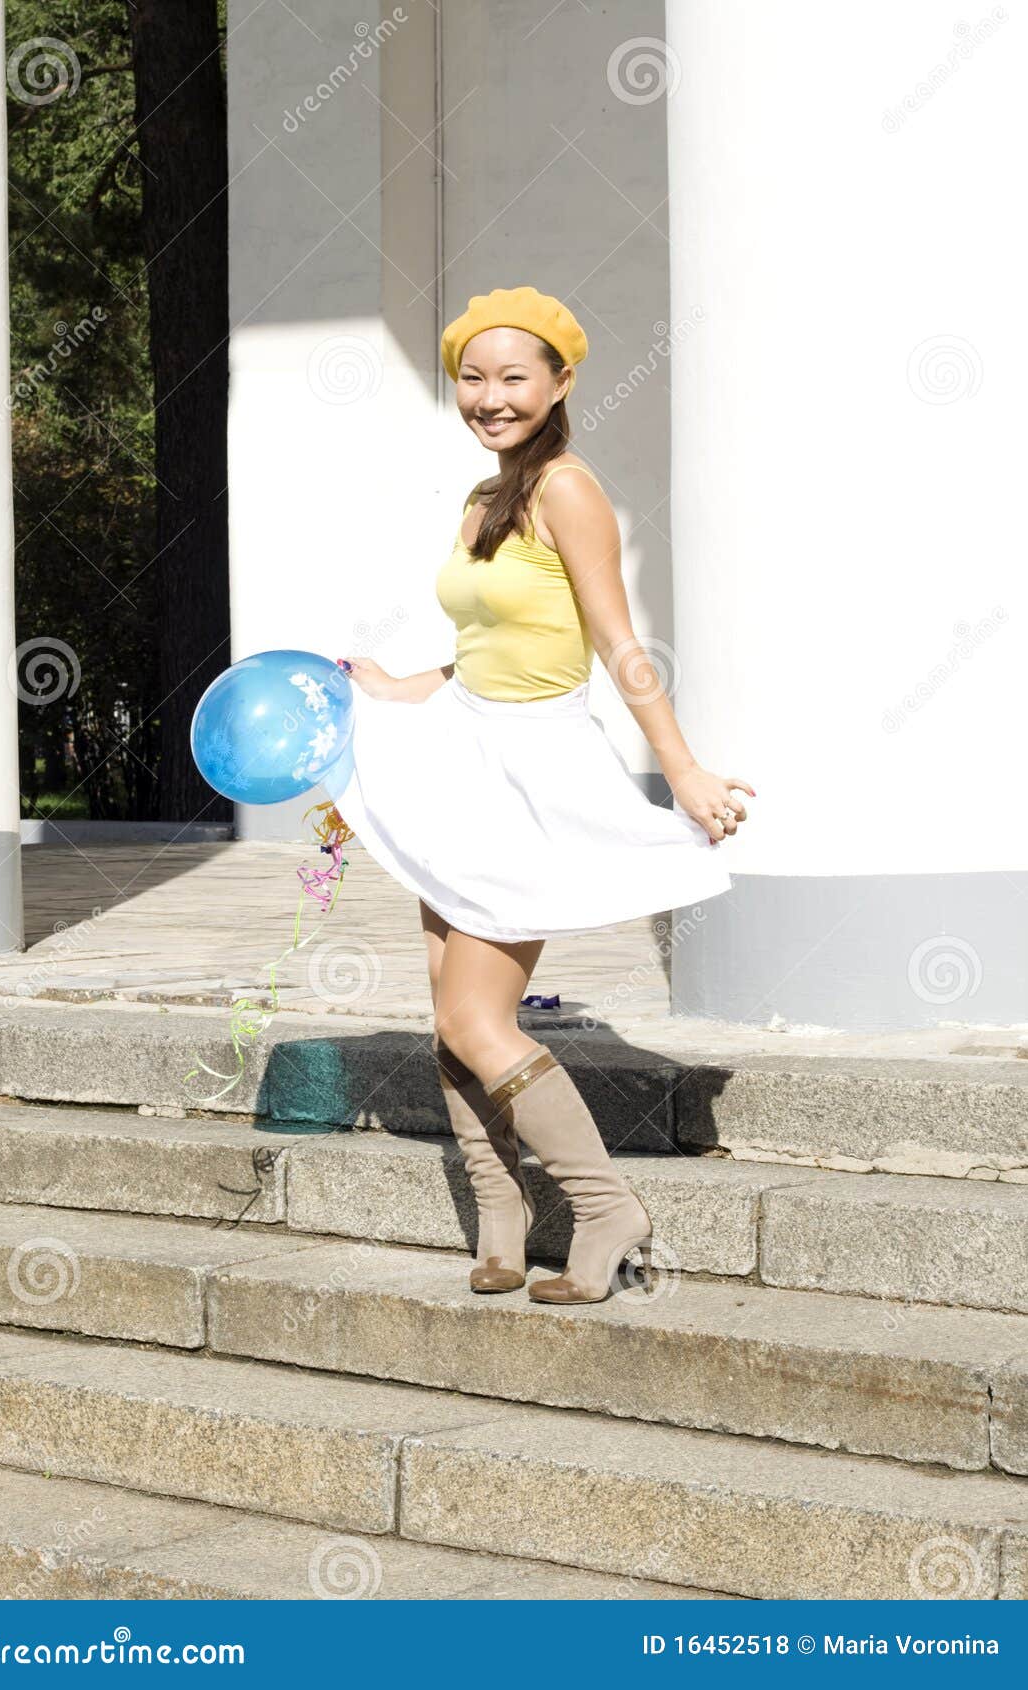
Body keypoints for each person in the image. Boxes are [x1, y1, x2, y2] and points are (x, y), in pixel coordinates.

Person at [323, 285, 754, 1305]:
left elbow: (615, 643)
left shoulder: (567, 490)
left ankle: (602, 1207)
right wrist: (396, 685)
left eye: (513, 376)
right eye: (471, 377)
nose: (490, 396)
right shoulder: (484, 500)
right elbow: (483, 651)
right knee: (452, 1017)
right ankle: (501, 1216)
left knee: (480, 1021)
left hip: (531, 774)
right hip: (461, 761)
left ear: (560, 382)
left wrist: (681, 769)